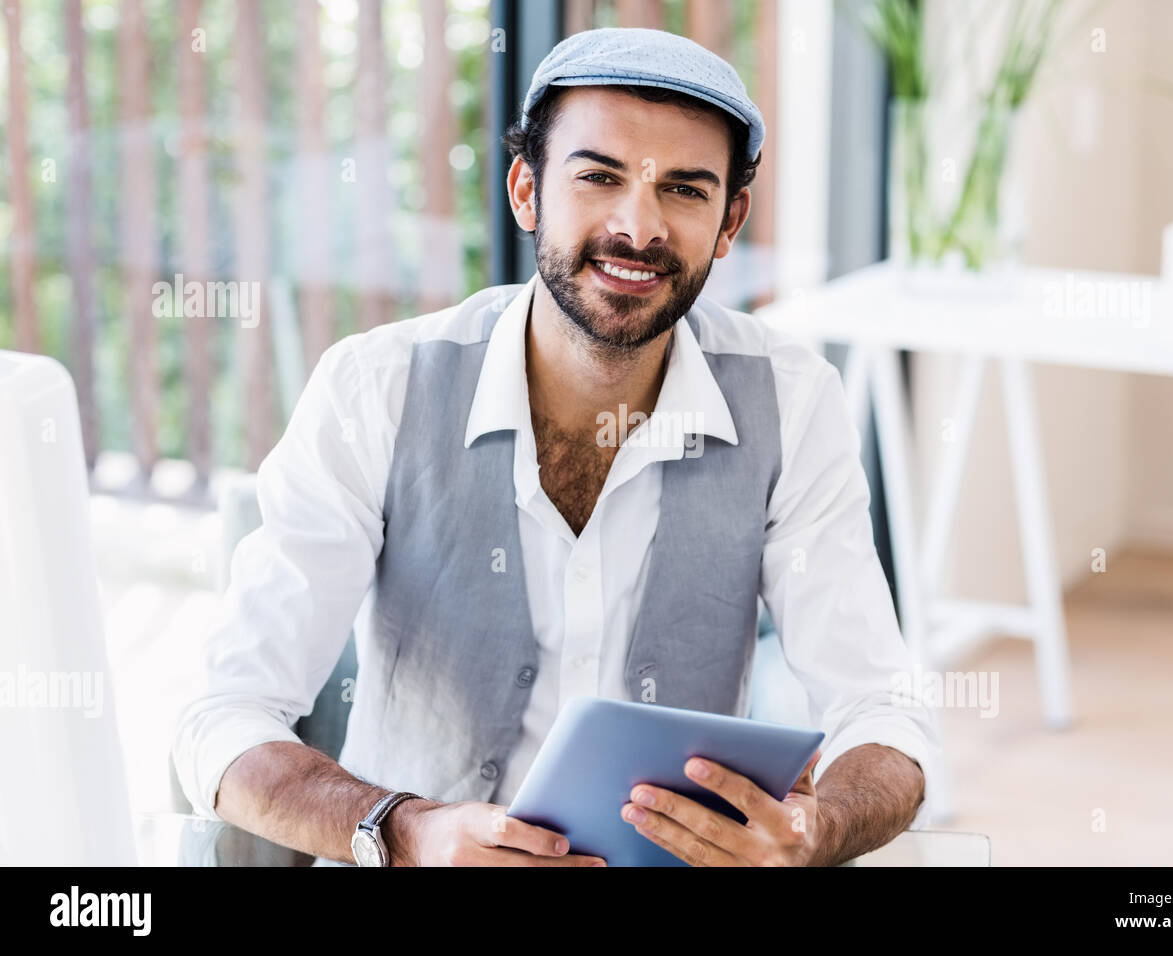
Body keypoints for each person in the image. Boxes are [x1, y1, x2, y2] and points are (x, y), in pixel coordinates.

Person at [172, 26, 939, 867]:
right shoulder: (374, 388)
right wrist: (404, 830)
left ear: (730, 223)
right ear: (526, 190)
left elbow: (883, 711)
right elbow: (222, 716)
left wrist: (818, 828)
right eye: (599, 176)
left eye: (684, 190)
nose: (638, 227)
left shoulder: (792, 403)